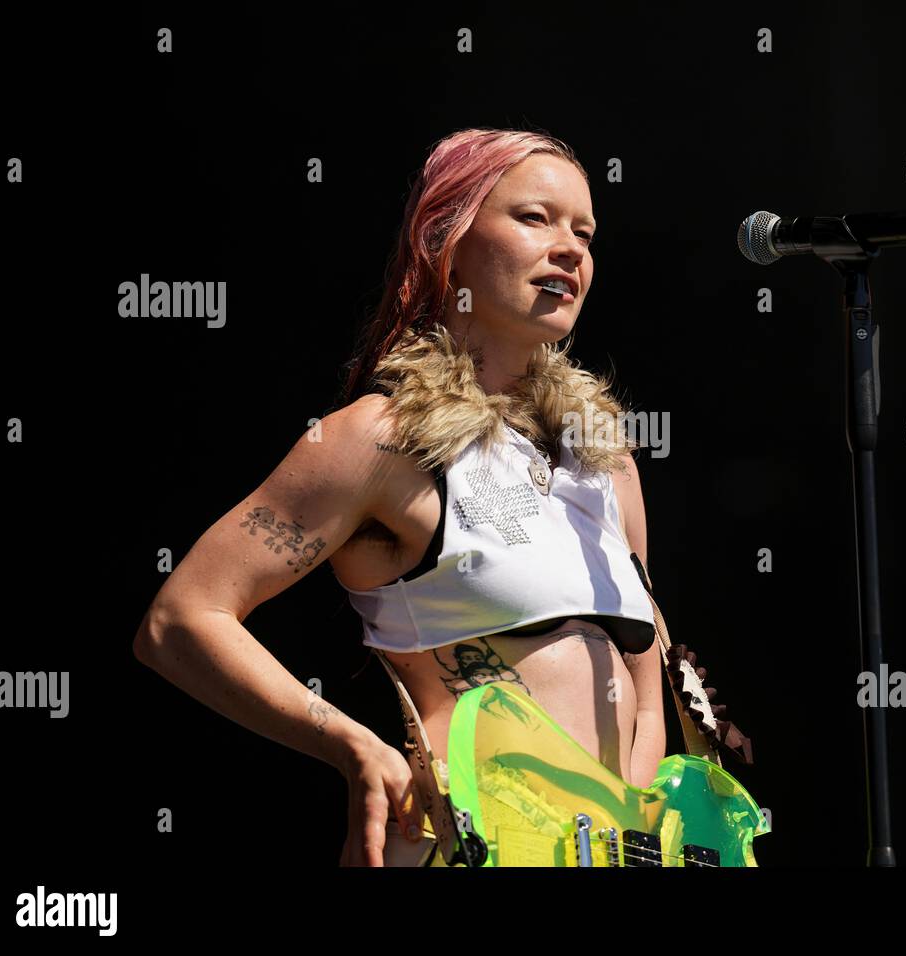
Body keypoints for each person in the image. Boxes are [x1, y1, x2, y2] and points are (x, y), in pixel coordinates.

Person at [132, 128, 666, 868]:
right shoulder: (380, 438)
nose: (571, 249)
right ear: (447, 239)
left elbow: (646, 677)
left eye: (586, 232)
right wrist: (348, 742)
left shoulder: (604, 456)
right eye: (535, 218)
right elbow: (181, 619)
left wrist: (634, 834)